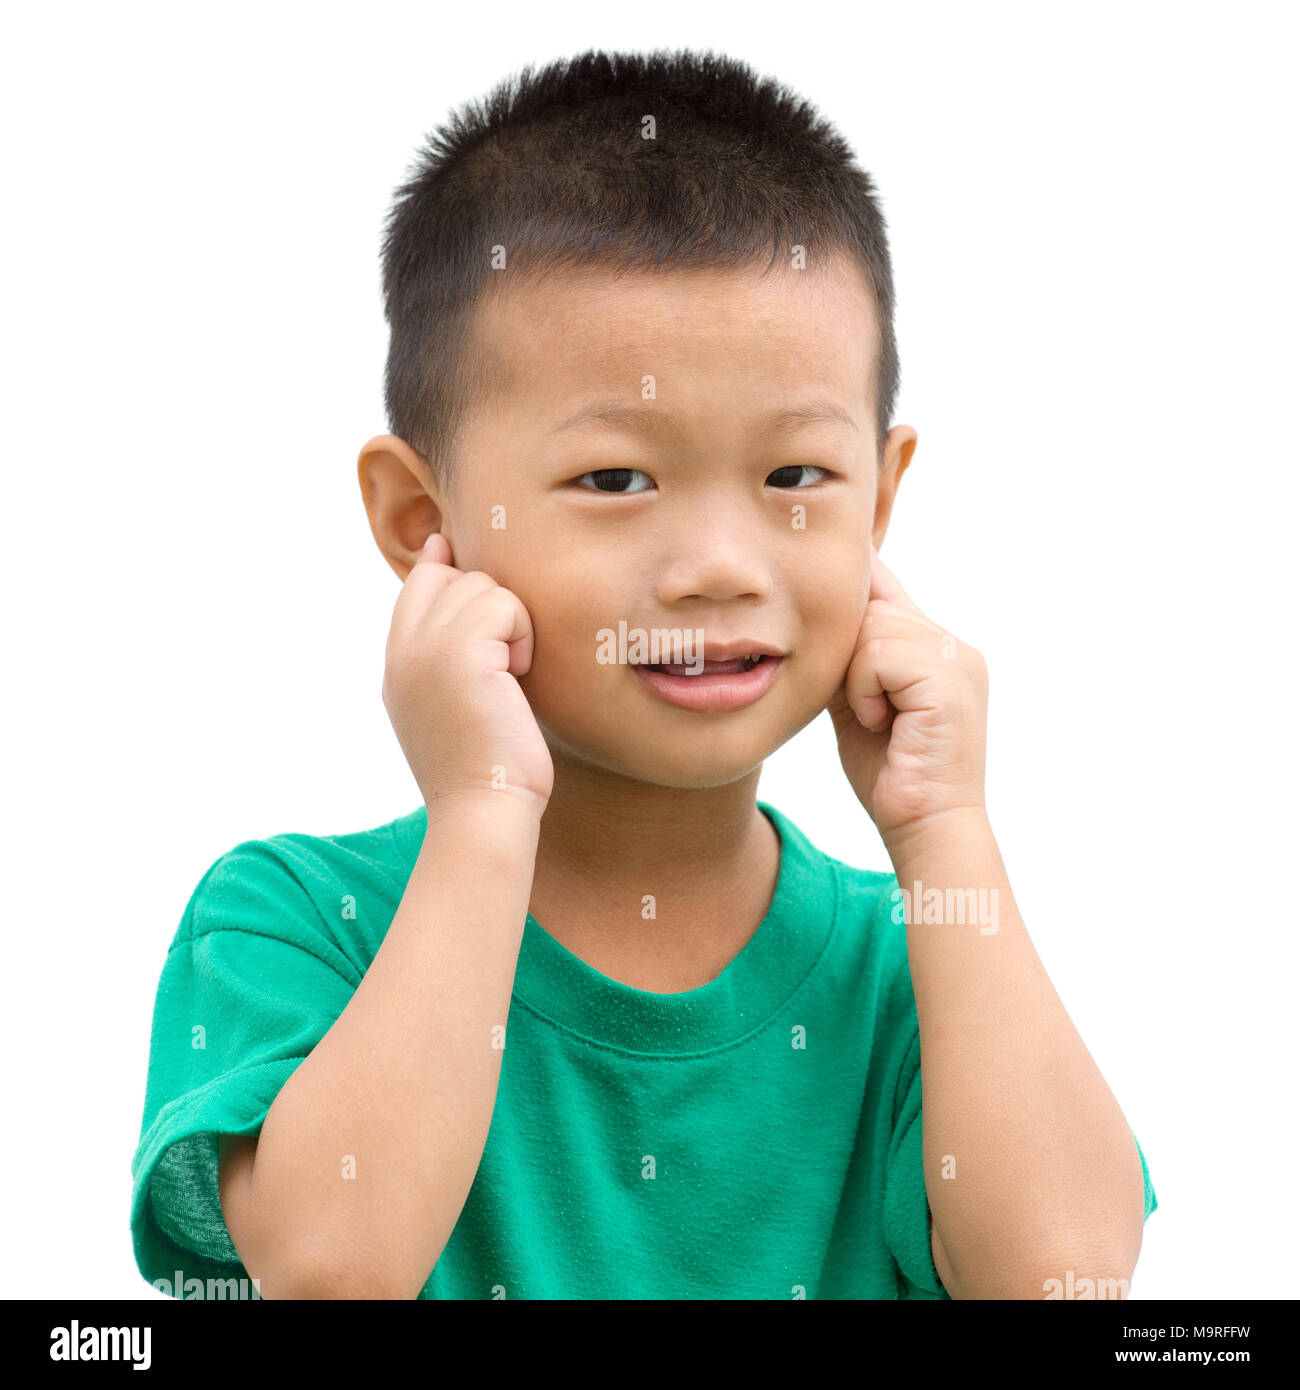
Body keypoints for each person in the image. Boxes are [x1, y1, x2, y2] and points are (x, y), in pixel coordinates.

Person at [130, 47, 1156, 1300]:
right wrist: (483, 811)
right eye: (616, 479)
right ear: (418, 520)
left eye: (794, 479)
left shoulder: (915, 966)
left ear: (880, 501)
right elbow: (332, 1271)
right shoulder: (292, 920)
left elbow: (1068, 1281)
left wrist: (948, 835)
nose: (720, 565)